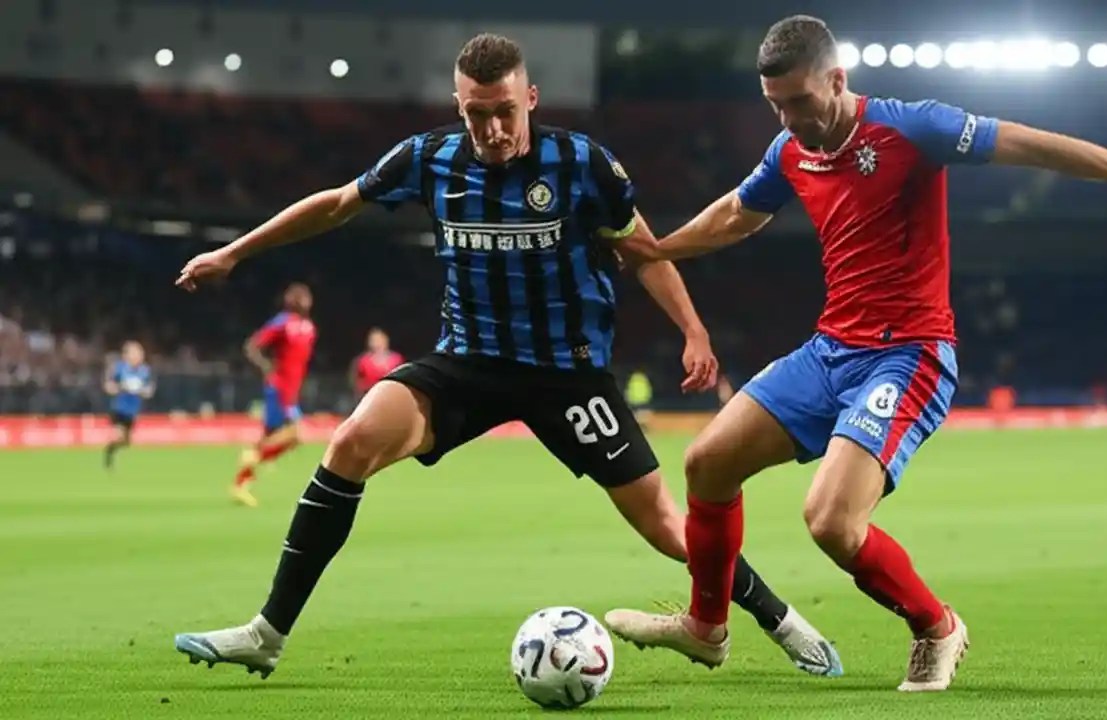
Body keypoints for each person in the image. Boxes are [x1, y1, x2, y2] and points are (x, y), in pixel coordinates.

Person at [171, 33, 839, 679]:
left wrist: (693, 330)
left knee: (665, 523)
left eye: (505, 112)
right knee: (351, 443)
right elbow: (338, 205)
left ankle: (781, 620)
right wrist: (234, 252)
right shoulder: (429, 157)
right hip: (468, 363)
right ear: (458, 106)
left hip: (568, 374)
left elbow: (642, 250)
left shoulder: (581, 164)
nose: (491, 130)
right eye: (476, 114)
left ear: (531, 99)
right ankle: (266, 635)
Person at [602, 14, 1107, 692]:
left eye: (799, 101)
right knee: (707, 464)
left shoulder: (911, 128)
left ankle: (937, 628)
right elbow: (735, 214)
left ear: (837, 80)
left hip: (909, 356)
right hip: (831, 350)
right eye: (775, 105)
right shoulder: (790, 151)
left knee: (832, 523)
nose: (788, 119)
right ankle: (706, 628)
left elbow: (1031, 145)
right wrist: (656, 250)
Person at [232, 283, 317, 508]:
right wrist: (266, 368)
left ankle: (241, 484)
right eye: (301, 297)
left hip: (291, 390)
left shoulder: (308, 327)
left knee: (274, 438)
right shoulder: (282, 322)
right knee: (296, 434)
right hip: (279, 388)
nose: (306, 301)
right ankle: (253, 457)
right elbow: (252, 345)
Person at [102, 340, 154, 470]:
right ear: (126, 355)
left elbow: (149, 390)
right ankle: (109, 456)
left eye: (140, 353)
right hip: (119, 409)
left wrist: (142, 391)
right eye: (135, 353)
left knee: (126, 442)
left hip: (132, 412)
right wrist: (121, 387)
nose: (138, 356)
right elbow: (108, 386)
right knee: (119, 435)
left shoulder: (145, 371)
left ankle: (111, 449)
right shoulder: (119, 368)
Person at [350, 327, 404, 399]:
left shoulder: (396, 359)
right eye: (373, 340)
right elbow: (356, 382)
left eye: (379, 340)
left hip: (392, 396)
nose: (377, 343)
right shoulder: (363, 361)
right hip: (370, 397)